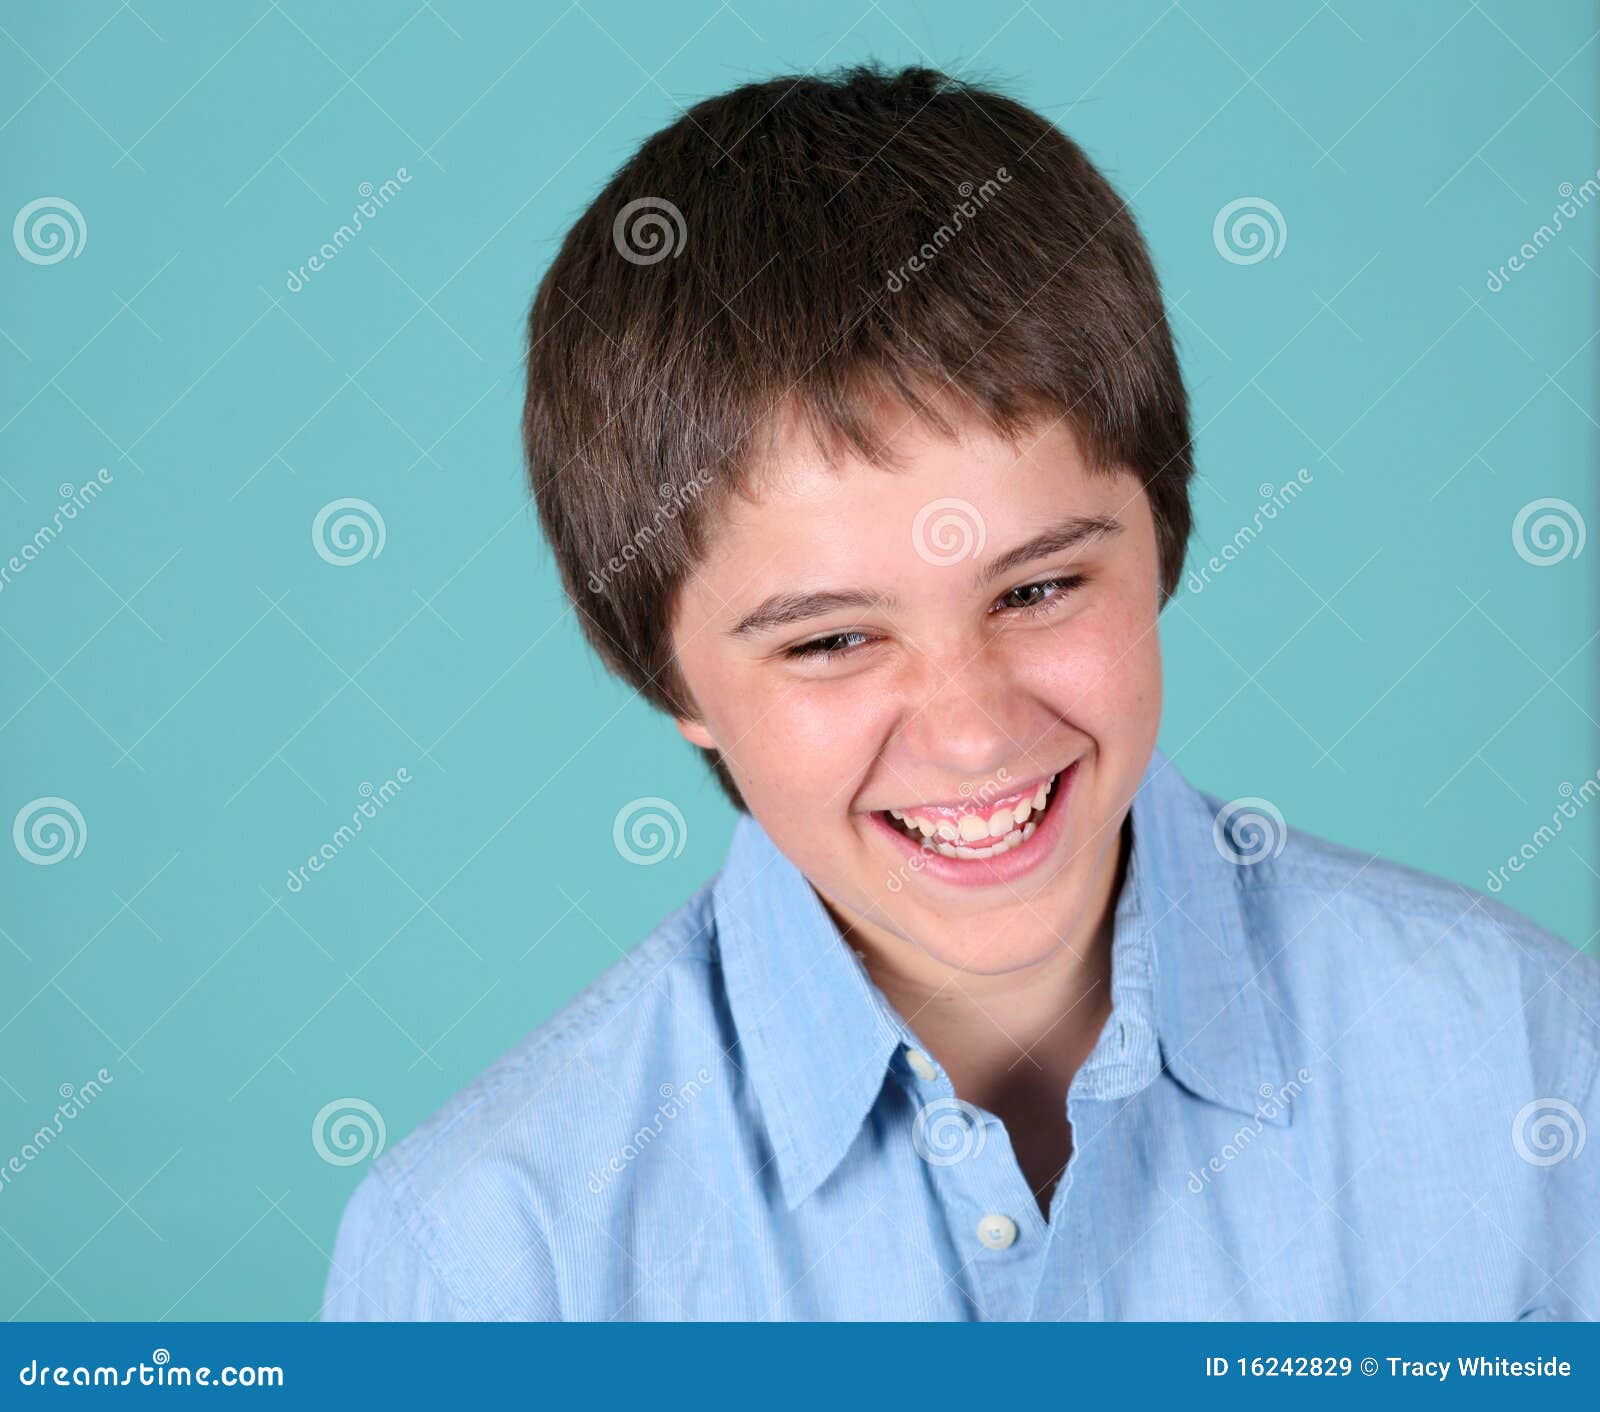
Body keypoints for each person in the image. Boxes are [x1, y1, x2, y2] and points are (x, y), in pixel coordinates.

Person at [323, 64, 1598, 1321]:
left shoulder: (1535, 1065)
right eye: (828, 641)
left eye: (1037, 589)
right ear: (664, 674)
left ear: (1160, 538)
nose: (974, 726)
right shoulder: (493, 1259)